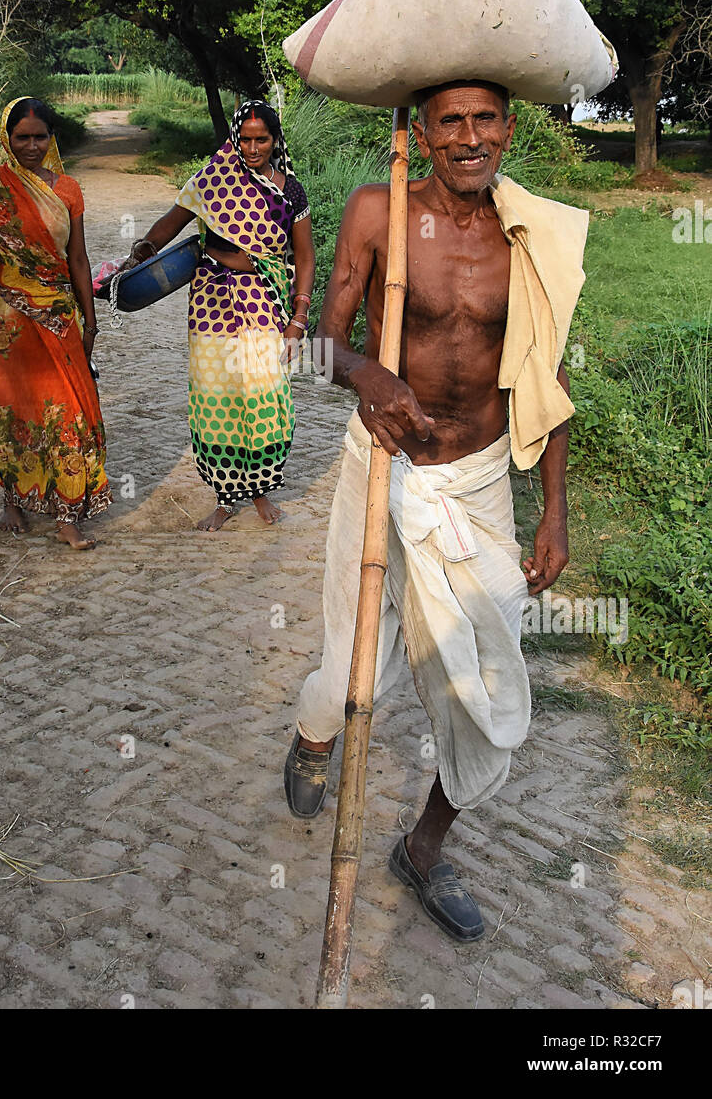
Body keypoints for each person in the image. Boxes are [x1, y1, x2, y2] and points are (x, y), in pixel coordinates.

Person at [283, 80, 589, 943]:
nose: (467, 137)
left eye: (483, 118)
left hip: (481, 480)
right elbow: (314, 341)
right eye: (448, 120)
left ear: (509, 127)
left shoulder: (531, 237)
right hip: (385, 467)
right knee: (351, 672)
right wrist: (366, 375)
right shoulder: (378, 212)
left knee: (488, 689)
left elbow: (550, 382)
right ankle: (314, 734)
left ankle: (422, 849)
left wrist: (554, 513)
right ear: (420, 131)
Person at [123, 99, 315, 531]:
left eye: (260, 139)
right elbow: (169, 225)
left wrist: (299, 319)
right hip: (212, 299)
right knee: (219, 395)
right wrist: (138, 255)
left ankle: (262, 491)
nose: (251, 148)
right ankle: (227, 498)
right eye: (244, 139)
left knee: (265, 391)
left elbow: (305, 257)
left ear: (274, 138)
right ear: (234, 137)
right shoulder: (213, 179)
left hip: (265, 298)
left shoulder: (290, 191)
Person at [0, 96, 111, 550]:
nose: (32, 146)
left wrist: (89, 321)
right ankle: (13, 499)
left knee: (69, 410)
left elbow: (77, 258)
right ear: (7, 138)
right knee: (11, 407)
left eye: (40, 137)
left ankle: (67, 515)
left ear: (51, 139)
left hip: (57, 317)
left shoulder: (68, 190)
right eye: (23, 138)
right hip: (2, 321)